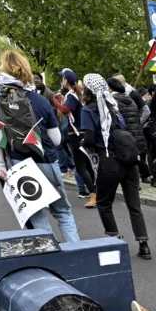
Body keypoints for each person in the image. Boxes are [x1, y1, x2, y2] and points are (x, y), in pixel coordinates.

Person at [0, 50, 80, 244]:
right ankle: (76, 253)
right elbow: (56, 138)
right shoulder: (40, 99)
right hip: (46, 161)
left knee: (38, 216)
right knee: (62, 212)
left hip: (18, 163)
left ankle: (49, 257)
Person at [80, 73, 151, 258]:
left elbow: (89, 138)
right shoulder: (114, 106)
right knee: (134, 205)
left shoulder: (88, 110)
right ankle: (144, 245)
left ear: (87, 90)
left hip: (109, 161)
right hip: (129, 160)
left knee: (104, 202)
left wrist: (82, 145)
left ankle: (115, 238)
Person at [60, 68, 96, 207]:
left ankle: (93, 195)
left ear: (66, 81)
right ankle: (95, 192)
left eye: (63, 78)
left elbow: (65, 110)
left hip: (76, 134)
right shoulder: (78, 94)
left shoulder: (71, 95)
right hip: (83, 132)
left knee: (81, 167)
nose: (62, 81)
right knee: (88, 165)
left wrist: (57, 102)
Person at [107, 76, 151, 186]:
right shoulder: (131, 99)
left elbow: (146, 110)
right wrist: (137, 124)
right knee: (136, 157)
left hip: (126, 134)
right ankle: (143, 178)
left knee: (132, 158)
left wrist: (138, 123)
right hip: (136, 133)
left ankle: (141, 178)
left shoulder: (115, 101)